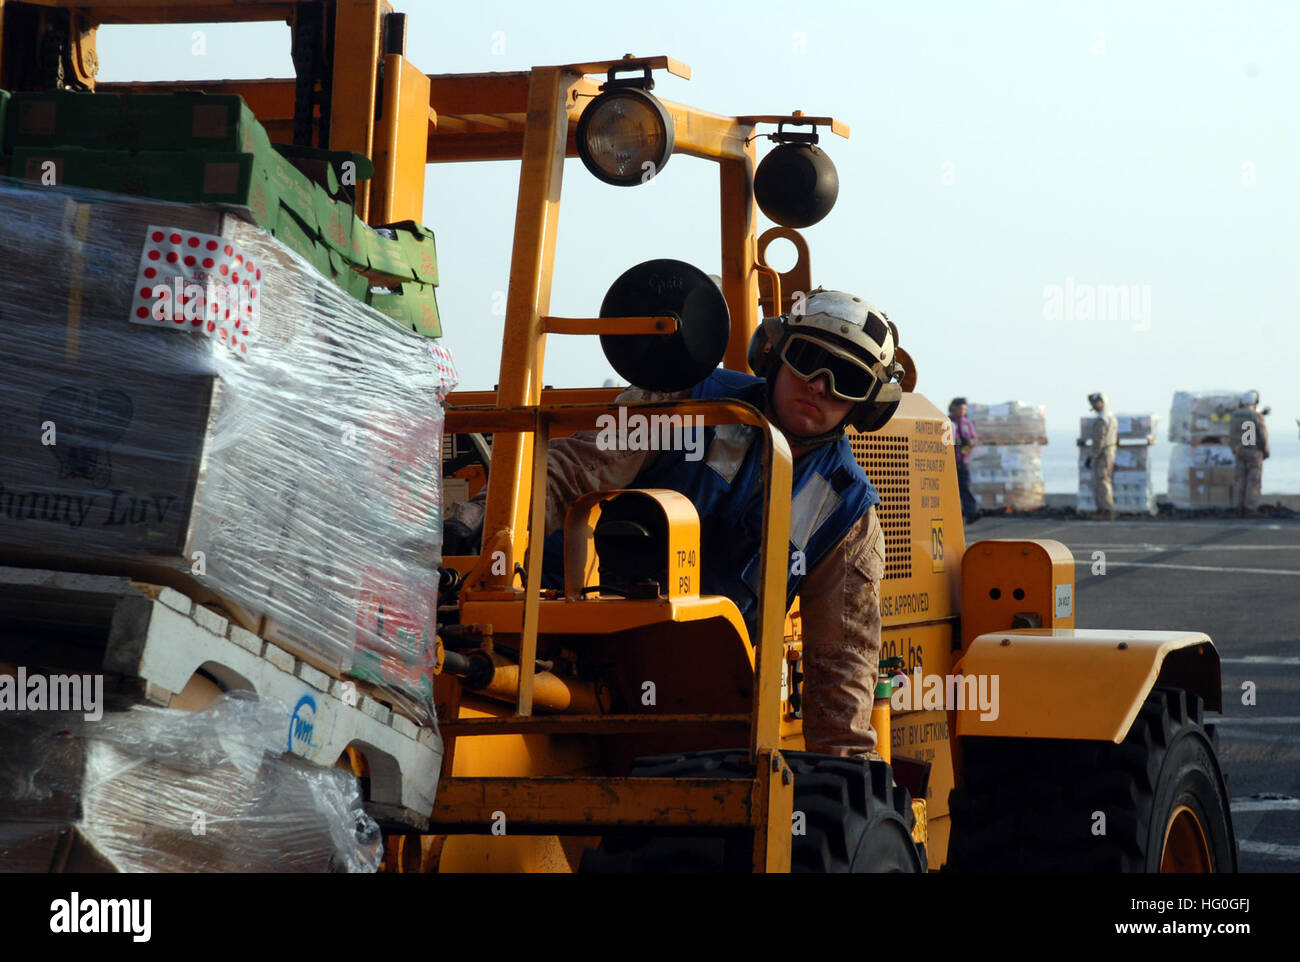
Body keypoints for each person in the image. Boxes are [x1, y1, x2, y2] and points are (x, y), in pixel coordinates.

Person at [463, 289, 902, 760]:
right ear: (774, 353)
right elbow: (573, 471)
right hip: (555, 639)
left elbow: (842, 662)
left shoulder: (848, 513)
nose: (819, 385)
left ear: (868, 406)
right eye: (808, 358)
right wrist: (477, 530)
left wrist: (847, 777)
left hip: (696, 704)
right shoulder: (685, 397)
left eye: (847, 380)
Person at [1229, 390, 1269, 514]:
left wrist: (1234, 449)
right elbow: (1262, 435)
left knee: (1240, 479)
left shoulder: (1235, 415)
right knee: (1253, 479)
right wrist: (1266, 451)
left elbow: (1232, 435)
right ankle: (1250, 507)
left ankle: (1238, 506)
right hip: (1253, 451)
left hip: (1239, 450)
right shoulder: (1256, 415)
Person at [1079, 392, 1118, 520]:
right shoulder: (1111, 417)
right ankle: (1104, 509)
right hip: (1109, 451)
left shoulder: (1102, 420)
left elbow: (1099, 440)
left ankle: (1106, 510)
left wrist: (1092, 456)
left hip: (1103, 454)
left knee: (1101, 481)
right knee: (1103, 480)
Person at [949, 397, 980, 524]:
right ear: (954, 408)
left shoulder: (967, 423)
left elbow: (974, 438)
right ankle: (953, 515)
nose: (962, 411)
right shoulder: (948, 422)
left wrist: (970, 442)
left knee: (966, 487)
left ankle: (971, 513)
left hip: (963, 462)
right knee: (951, 490)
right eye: (960, 408)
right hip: (950, 463)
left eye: (964, 409)